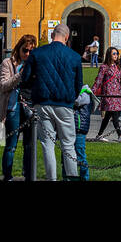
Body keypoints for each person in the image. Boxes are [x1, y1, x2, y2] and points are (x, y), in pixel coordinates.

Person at [22, 24, 83, 180]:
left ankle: (51, 178)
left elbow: (25, 79)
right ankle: (71, 177)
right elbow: (78, 85)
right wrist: (70, 98)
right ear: (67, 37)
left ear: (51, 35)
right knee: (68, 145)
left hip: (42, 103)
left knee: (47, 144)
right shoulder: (75, 56)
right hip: (65, 105)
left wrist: (36, 85)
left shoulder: (37, 53)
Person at [0, 34, 36, 180]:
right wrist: (21, 73)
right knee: (11, 145)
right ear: (18, 49)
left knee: (29, 146)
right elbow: (4, 85)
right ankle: (7, 176)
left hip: (29, 107)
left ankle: (29, 175)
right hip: (13, 108)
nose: (27, 54)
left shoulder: (34, 65)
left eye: (31, 51)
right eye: (25, 50)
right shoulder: (8, 63)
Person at [91, 46, 121, 140]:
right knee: (114, 115)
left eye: (117, 54)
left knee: (108, 116)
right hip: (109, 94)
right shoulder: (104, 67)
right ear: (109, 55)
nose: (116, 55)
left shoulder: (117, 67)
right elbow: (99, 80)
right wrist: (92, 91)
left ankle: (99, 135)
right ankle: (120, 135)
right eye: (114, 54)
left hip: (117, 94)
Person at [72, 83, 93, 181]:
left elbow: (76, 102)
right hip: (73, 127)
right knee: (68, 155)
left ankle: (84, 177)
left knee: (80, 155)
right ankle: (70, 177)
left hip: (79, 128)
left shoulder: (85, 93)